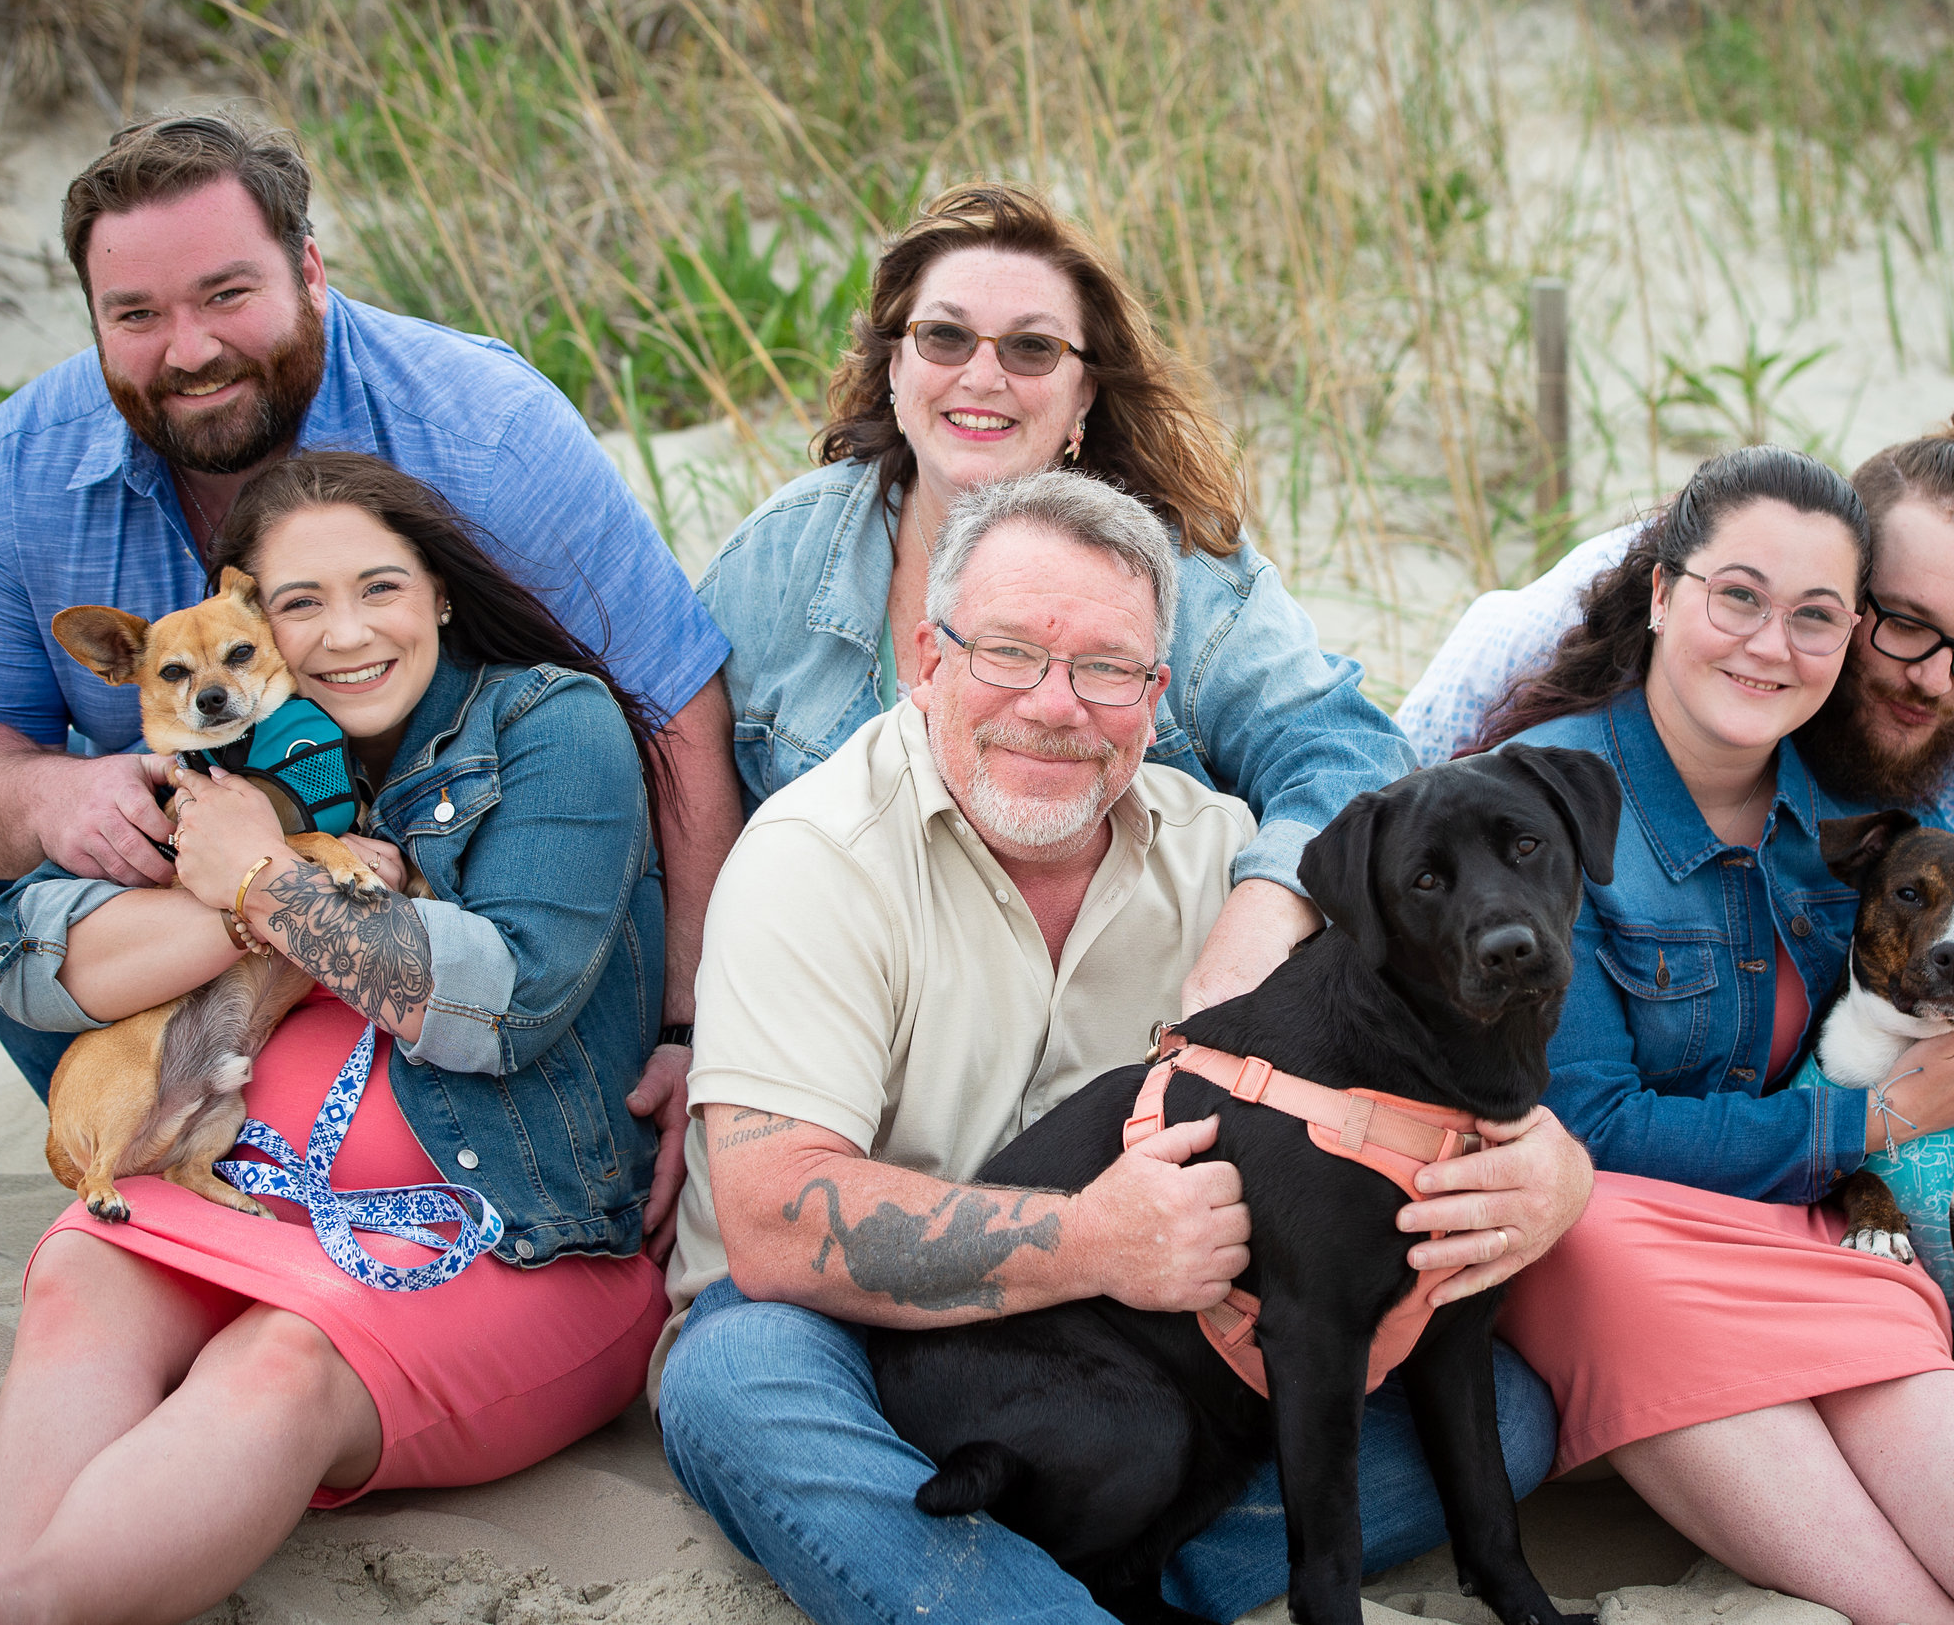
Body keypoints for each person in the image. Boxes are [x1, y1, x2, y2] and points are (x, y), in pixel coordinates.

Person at [655, 472, 1591, 1625]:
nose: (1056, 703)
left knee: (1507, 1411)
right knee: (736, 1384)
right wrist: (1092, 1239)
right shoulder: (814, 856)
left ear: (1156, 693)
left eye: (1104, 668)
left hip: (1168, 1372)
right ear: (925, 654)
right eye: (1008, 653)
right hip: (840, 1333)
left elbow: (1416, 1045)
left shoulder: (1229, 861)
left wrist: (1553, 1165)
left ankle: (1038, 1572)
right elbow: (774, 1222)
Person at [0, 452, 674, 1625]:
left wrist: (264, 886)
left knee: (278, 1358)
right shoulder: (217, 768)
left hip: (500, 1232)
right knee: (83, 1266)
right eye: (300, 604)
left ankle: (15, 1609)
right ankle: (20, 1595)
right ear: (257, 622)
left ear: (438, 590)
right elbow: (38, 958)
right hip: (242, 1186)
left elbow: (509, 1003)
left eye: (380, 588)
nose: (345, 635)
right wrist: (233, 879)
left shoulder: (546, 725)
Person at [0, 113, 744, 1182]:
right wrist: (46, 799)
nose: (189, 349)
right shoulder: (21, 465)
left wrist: (690, 1033)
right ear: (94, 319)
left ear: (310, 272)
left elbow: (676, 711)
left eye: (226, 294)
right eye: (137, 314)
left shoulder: (483, 430)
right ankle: (174, 1133)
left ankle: (448, 1153)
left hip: (451, 843)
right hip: (191, 866)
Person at [1400, 399, 1954, 1266]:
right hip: (1707, 1171)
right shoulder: (1571, 637)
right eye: (1904, 626)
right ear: (1847, 591)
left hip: (1907, 1096)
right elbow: (1376, 836)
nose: (1936, 680)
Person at [1490, 448, 1954, 1624]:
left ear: (1848, 641)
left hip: (1798, 1211)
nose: (1769, 643)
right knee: (1615, 1245)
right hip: (1594, 1210)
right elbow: (1585, 1126)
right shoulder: (1539, 807)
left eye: (1816, 617)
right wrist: (1875, 1120)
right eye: (1737, 594)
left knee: (1877, 1300)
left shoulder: (1853, 826)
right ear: (1659, 592)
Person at [698, 182, 1413, 1025]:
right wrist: (690, 1019)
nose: (982, 373)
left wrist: (1258, 922)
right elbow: (679, 785)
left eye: (1032, 349)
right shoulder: (783, 555)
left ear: (1083, 396)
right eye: (944, 336)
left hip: (1107, 1039)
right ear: (894, 366)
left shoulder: (1180, 579)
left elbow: (1350, 758)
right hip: (834, 1031)